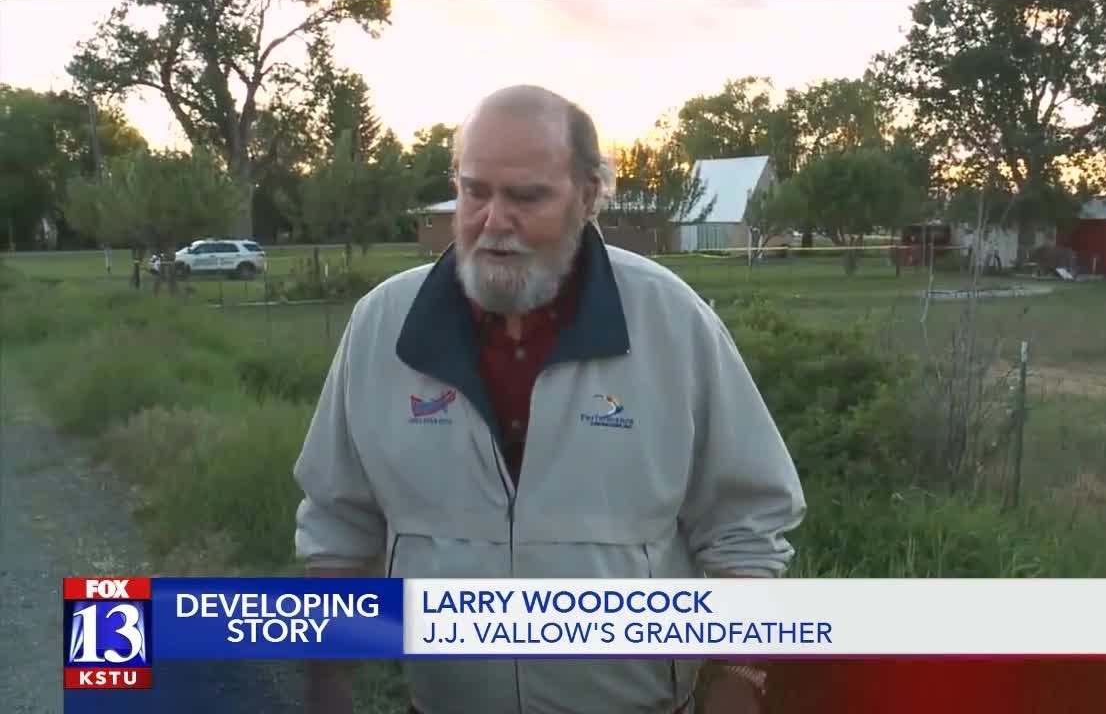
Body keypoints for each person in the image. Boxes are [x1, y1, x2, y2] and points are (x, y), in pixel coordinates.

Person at [292, 84, 806, 714]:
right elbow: (338, 522)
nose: (493, 220)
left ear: (589, 196)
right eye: (474, 191)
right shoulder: (384, 326)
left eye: (526, 197)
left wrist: (738, 675)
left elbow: (745, 521)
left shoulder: (671, 321)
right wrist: (326, 680)